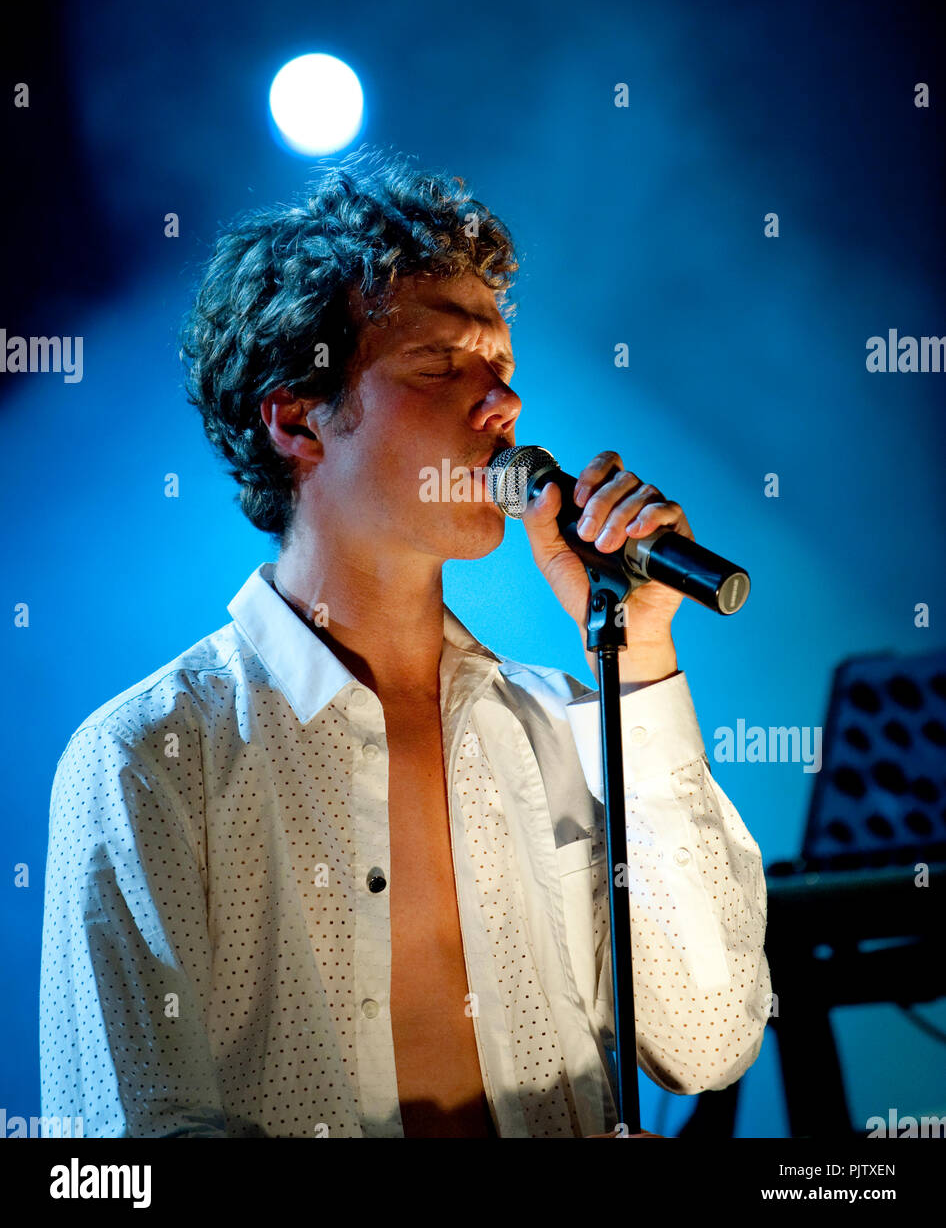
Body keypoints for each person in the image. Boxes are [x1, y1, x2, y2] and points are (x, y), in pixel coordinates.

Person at [40, 146, 771, 1138]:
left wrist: (639, 658)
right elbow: (132, 1151)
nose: (502, 402)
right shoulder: (147, 760)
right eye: (439, 364)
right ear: (297, 420)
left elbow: (711, 1039)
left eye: (502, 367)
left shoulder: (566, 724)